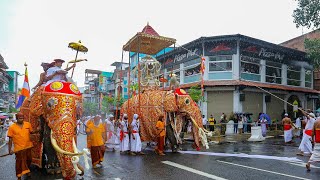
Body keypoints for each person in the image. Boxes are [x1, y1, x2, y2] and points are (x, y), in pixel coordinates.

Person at [7, 112, 39, 180]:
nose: (21, 119)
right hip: (19, 149)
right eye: (20, 118)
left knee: (29, 160)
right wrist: (10, 150)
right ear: (16, 119)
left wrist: (38, 130)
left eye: (22, 118)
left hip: (28, 146)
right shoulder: (12, 127)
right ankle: (19, 176)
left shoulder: (28, 124)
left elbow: (32, 132)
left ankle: (27, 171)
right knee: (19, 163)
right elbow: (10, 139)